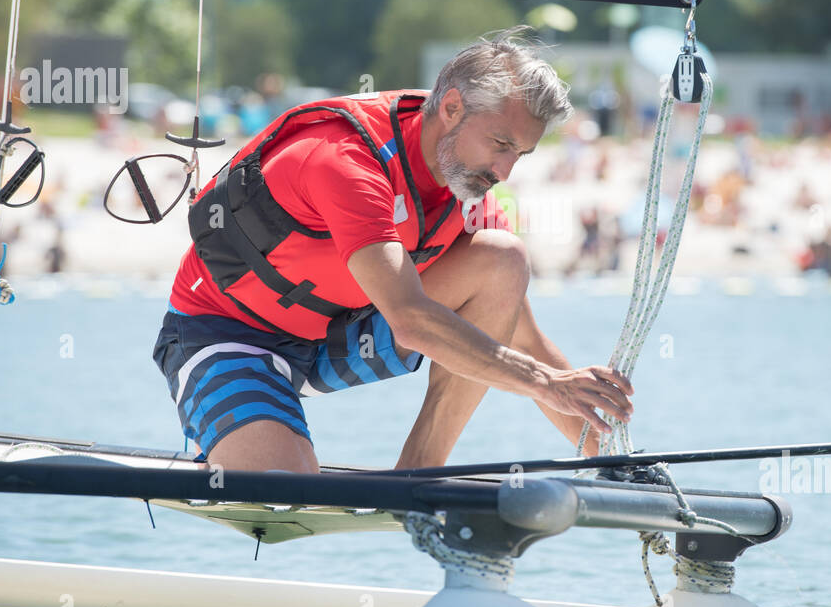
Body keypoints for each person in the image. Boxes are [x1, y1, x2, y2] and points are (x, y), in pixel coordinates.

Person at [153, 27, 633, 475]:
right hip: (227, 333)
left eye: (519, 154)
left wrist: (611, 456)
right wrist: (546, 383)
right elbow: (409, 319)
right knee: (287, 497)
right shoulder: (346, 162)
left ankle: (416, 477)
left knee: (504, 259)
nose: (504, 172)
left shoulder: (466, 184)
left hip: (334, 336)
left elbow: (521, 337)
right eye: (500, 144)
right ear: (450, 108)